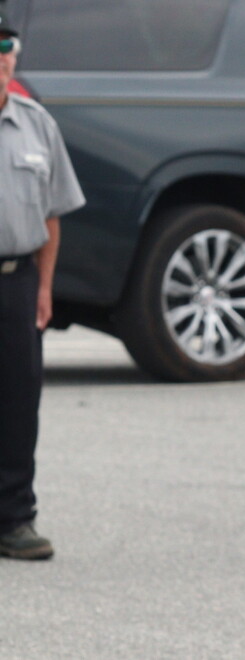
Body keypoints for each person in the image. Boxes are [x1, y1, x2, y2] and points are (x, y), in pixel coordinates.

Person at [0, 12, 85, 560]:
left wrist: (44, 287)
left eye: (6, 45)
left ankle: (14, 518)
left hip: (17, 280)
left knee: (17, 402)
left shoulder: (36, 123)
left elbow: (52, 214)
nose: (1, 57)